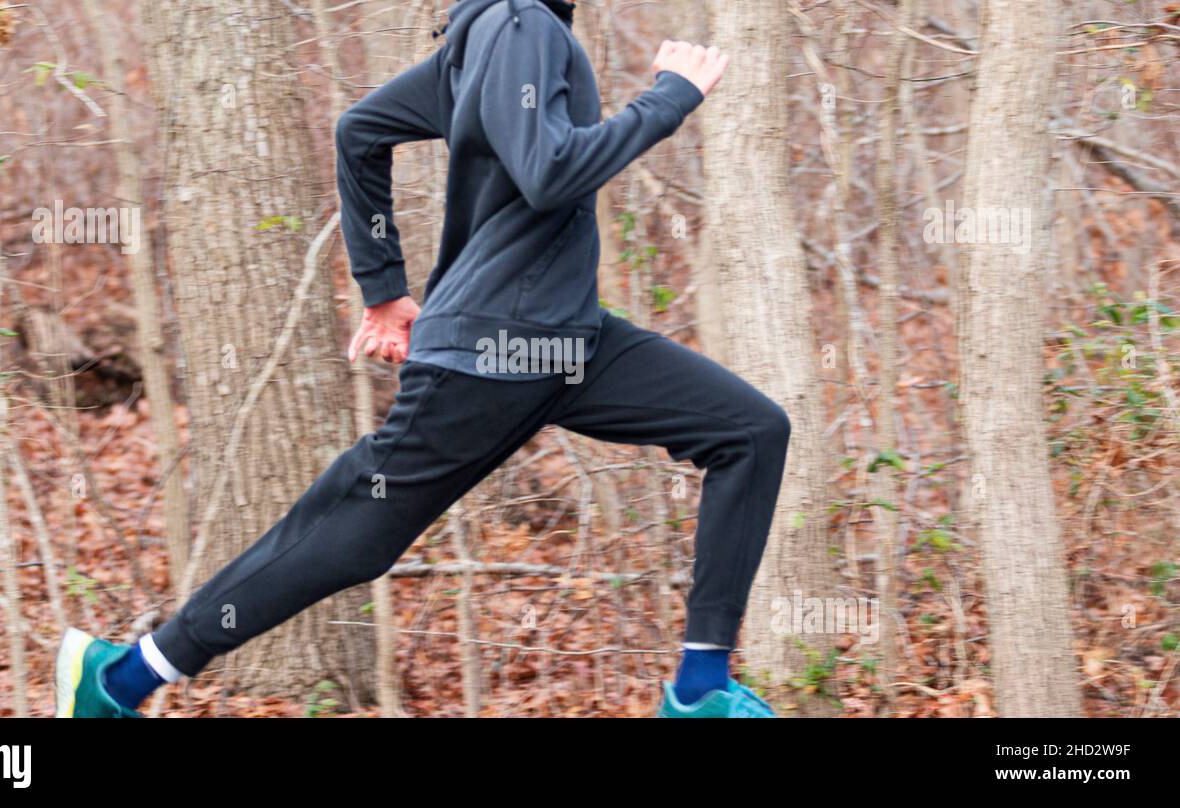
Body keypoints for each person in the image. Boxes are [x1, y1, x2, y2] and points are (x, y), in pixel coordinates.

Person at [56, 0, 787, 719]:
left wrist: (383, 290)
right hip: (492, 350)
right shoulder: (518, 23)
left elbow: (360, 132)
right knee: (352, 532)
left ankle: (699, 690)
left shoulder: (489, 39)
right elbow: (550, 171)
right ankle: (123, 677)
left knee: (749, 431)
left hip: (568, 343)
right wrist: (670, 98)